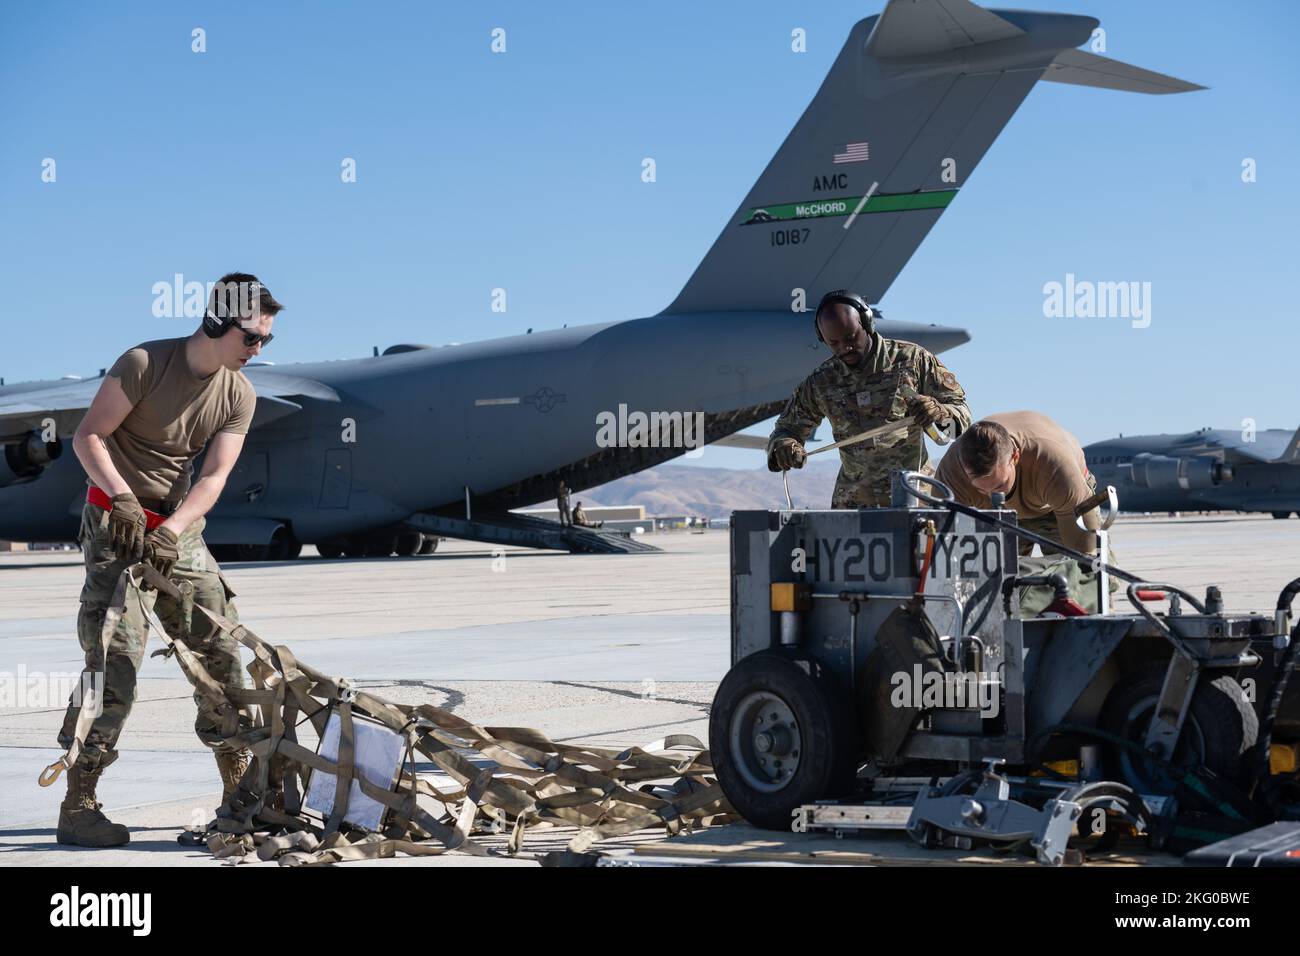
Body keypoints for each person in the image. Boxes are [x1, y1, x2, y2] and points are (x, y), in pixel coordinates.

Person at [56, 273, 281, 847]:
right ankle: (79, 805)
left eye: (266, 341)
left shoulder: (239, 393)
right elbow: (88, 437)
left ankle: (239, 796)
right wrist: (125, 502)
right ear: (215, 324)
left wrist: (172, 529)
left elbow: (215, 476)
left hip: (176, 526)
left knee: (219, 651)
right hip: (114, 519)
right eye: (252, 339)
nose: (259, 351)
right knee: (115, 660)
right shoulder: (143, 364)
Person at [767, 290, 971, 507]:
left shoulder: (913, 361)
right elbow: (785, 429)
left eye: (851, 337)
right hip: (852, 507)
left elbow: (958, 425)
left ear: (867, 323)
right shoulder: (822, 381)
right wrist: (785, 446)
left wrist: (940, 414)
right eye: (833, 343)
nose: (845, 348)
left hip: (913, 498)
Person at [934, 411, 1107, 557]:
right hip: (1000, 518)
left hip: (1058, 508)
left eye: (999, 486)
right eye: (980, 489)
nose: (991, 496)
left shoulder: (1053, 465)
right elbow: (936, 543)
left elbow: (1084, 551)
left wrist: (1085, 572)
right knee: (998, 585)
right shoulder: (952, 475)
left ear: (1015, 457)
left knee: (1091, 576)